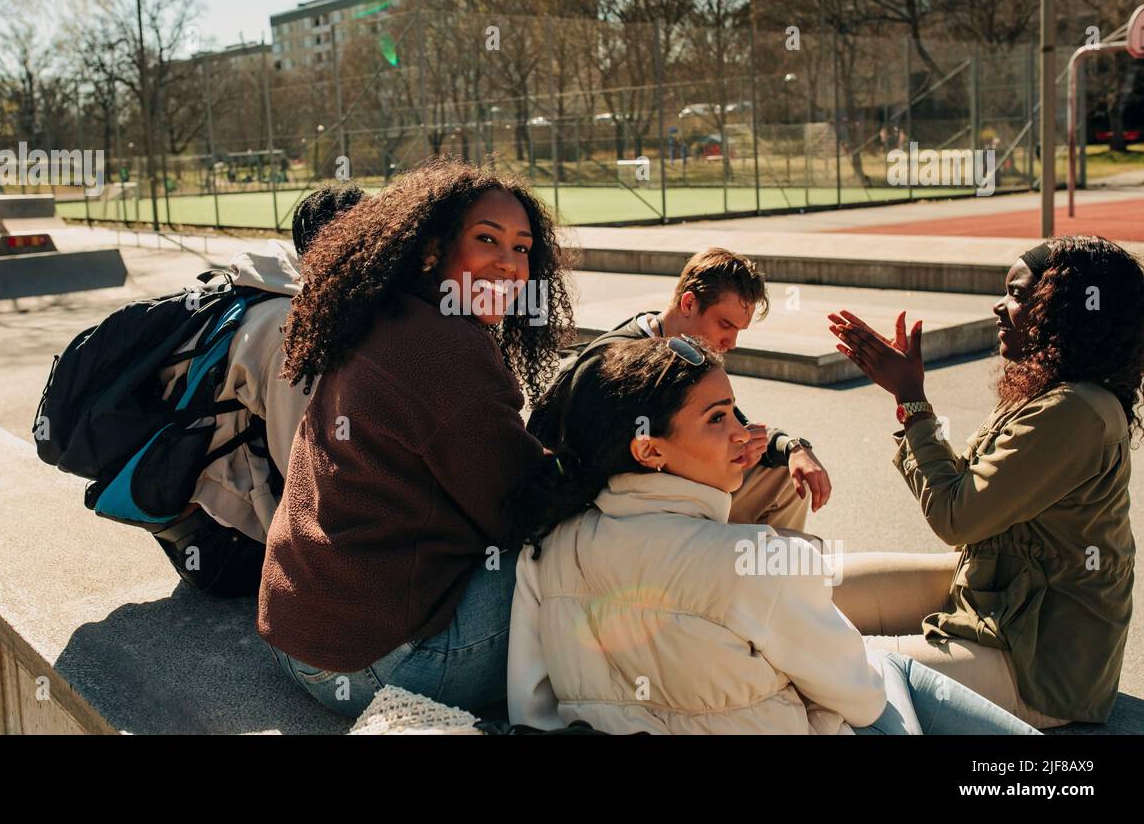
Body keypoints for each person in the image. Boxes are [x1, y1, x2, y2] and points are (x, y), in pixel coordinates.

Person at [506, 335, 1037, 734]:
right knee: (880, 670)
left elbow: (531, 708)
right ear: (649, 449)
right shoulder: (756, 559)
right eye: (716, 419)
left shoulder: (548, 546)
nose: (743, 431)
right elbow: (862, 702)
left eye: (735, 409)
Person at [259, 158, 574, 718]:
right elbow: (524, 507)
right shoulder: (445, 350)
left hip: (296, 637)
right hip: (375, 669)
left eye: (523, 248)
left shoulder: (377, 312)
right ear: (432, 248)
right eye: (487, 239)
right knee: (586, 564)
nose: (509, 264)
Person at [827, 235, 1143, 728]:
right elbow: (960, 489)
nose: (1000, 306)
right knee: (803, 587)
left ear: (1065, 312)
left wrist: (913, 401)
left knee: (826, 666)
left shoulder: (1075, 411)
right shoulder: (1047, 391)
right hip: (995, 590)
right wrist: (909, 402)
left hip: (1039, 662)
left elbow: (957, 515)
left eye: (1018, 295)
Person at [149, 185, 365, 596]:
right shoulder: (292, 328)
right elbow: (306, 474)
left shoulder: (265, 289)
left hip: (208, 519)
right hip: (228, 545)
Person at [529, 247, 829, 534]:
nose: (732, 342)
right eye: (725, 324)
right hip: (615, 513)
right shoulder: (617, 360)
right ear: (688, 304)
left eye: (739, 330)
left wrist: (792, 447)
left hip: (671, 488)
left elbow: (735, 420)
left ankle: (773, 581)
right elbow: (604, 471)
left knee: (788, 480)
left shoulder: (685, 352)